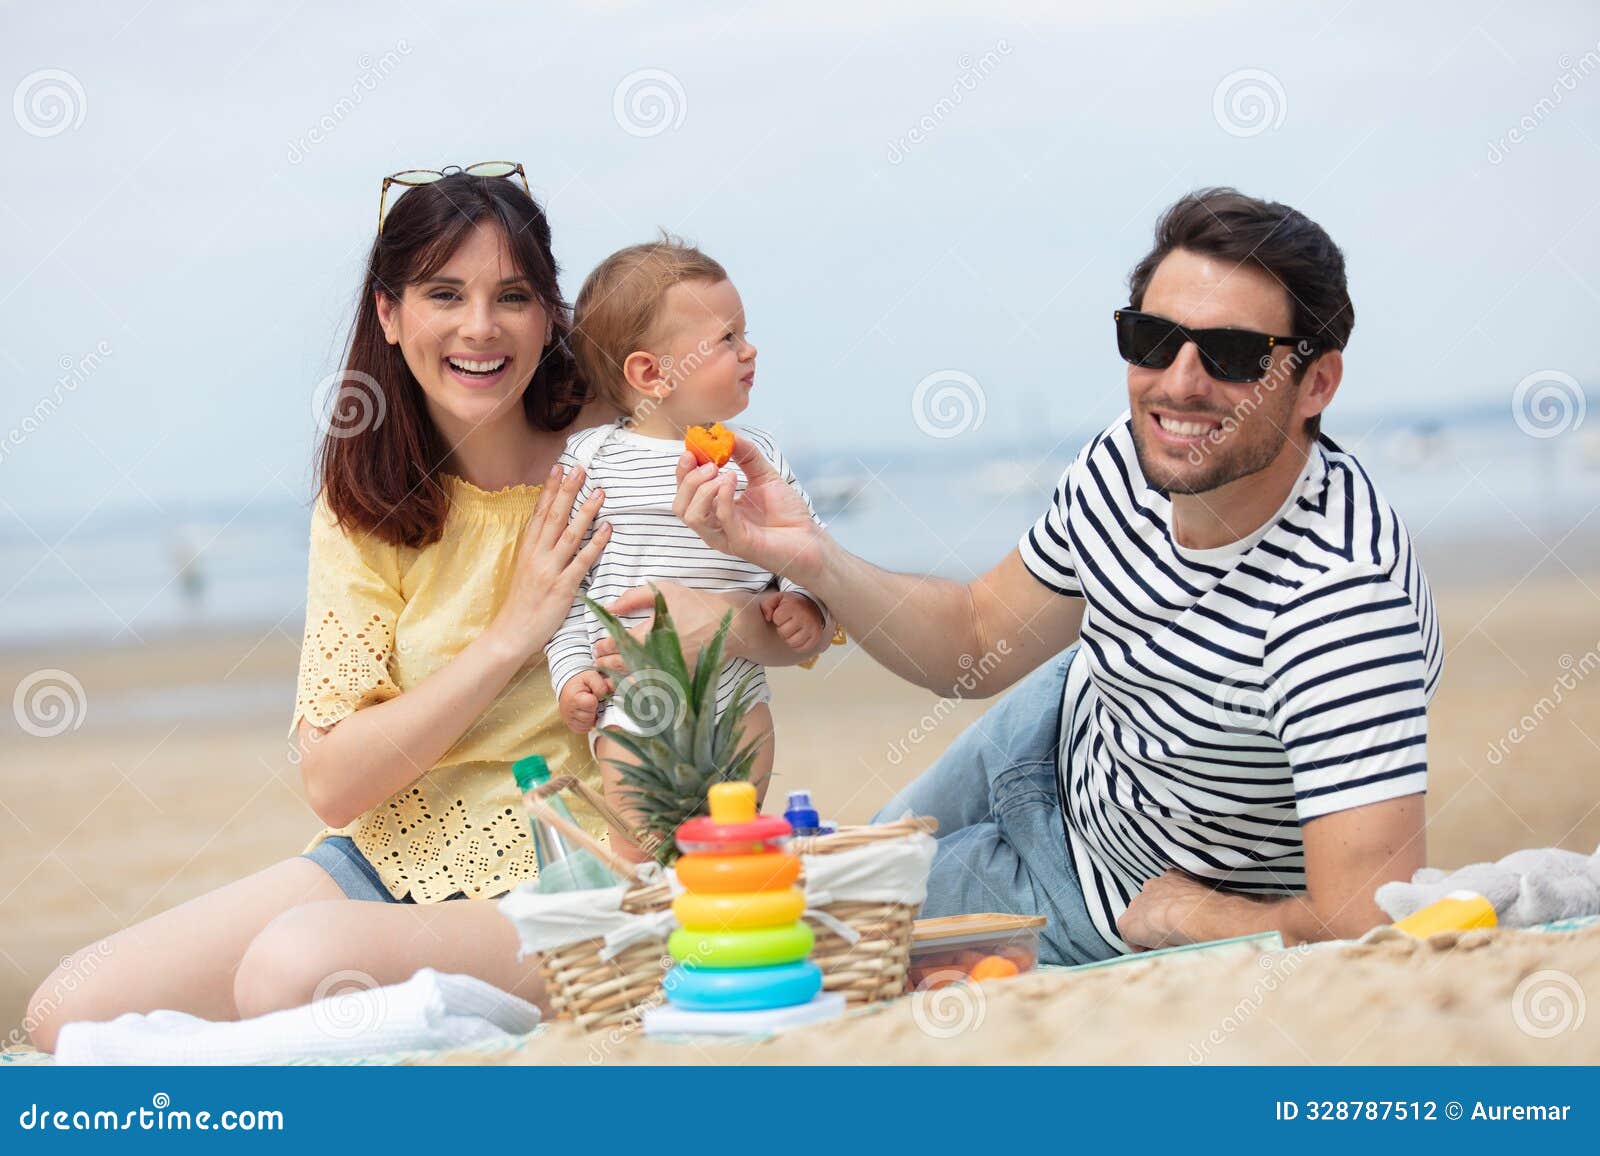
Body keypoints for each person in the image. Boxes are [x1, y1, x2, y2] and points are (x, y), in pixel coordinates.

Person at [25, 167, 822, 1053]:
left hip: (581, 860)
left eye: (512, 296)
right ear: (390, 315)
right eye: (445, 293)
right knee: (66, 1010)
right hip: (395, 858)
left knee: (290, 970)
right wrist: (515, 629)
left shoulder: (621, 451)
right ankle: (434, 1019)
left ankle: (490, 1024)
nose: (480, 327)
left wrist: (760, 618)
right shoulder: (366, 499)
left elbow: (765, 612)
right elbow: (332, 781)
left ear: (549, 316)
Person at [672, 187, 1442, 965]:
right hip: (1062, 726)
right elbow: (976, 635)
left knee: (797, 939)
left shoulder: (1343, 606)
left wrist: (1188, 919)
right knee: (822, 879)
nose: (1179, 383)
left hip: (1091, 894)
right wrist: (811, 557)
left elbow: (1365, 924)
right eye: (1151, 338)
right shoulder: (1129, 460)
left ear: (1317, 383)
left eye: (1232, 354)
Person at [547, 238, 833, 859]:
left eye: (745, 333)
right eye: (727, 339)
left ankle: (727, 938)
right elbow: (566, 598)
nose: (749, 350)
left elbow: (810, 555)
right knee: (646, 856)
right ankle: (651, 949)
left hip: (739, 701)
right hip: (632, 709)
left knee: (733, 850)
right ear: (651, 374)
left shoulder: (754, 457)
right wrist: (572, 675)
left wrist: (808, 608)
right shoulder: (592, 462)